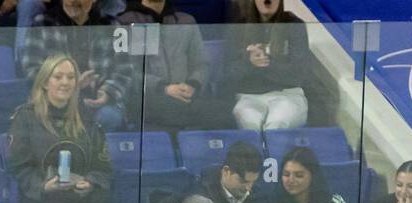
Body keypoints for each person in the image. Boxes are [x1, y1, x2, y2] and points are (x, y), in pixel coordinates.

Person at [7, 52, 112, 203]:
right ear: (45, 82)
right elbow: (18, 167)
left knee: (107, 201)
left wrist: (90, 182)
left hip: (80, 193)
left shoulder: (87, 116)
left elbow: (102, 164)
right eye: (58, 77)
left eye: (71, 77)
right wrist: (43, 186)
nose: (65, 82)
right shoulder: (25, 117)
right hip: (41, 193)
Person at [17, 0, 134, 131]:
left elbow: (125, 69)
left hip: (98, 102)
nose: (72, 2)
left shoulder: (115, 27)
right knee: (48, 118)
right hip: (54, 101)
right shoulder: (41, 23)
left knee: (110, 117)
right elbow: (31, 68)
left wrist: (107, 92)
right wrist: (71, 84)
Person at [117, 0, 216, 132]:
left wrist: (192, 85)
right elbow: (125, 71)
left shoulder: (186, 21)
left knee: (222, 113)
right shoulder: (123, 23)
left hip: (187, 97)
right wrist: (164, 88)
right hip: (148, 101)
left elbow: (201, 63)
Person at [225, 0, 312, 131]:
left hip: (288, 94)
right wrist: (249, 63)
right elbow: (228, 73)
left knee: (276, 124)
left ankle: (274, 152)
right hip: (249, 96)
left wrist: (268, 62)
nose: (267, 1)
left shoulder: (294, 25)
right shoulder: (238, 27)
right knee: (251, 124)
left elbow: (299, 73)